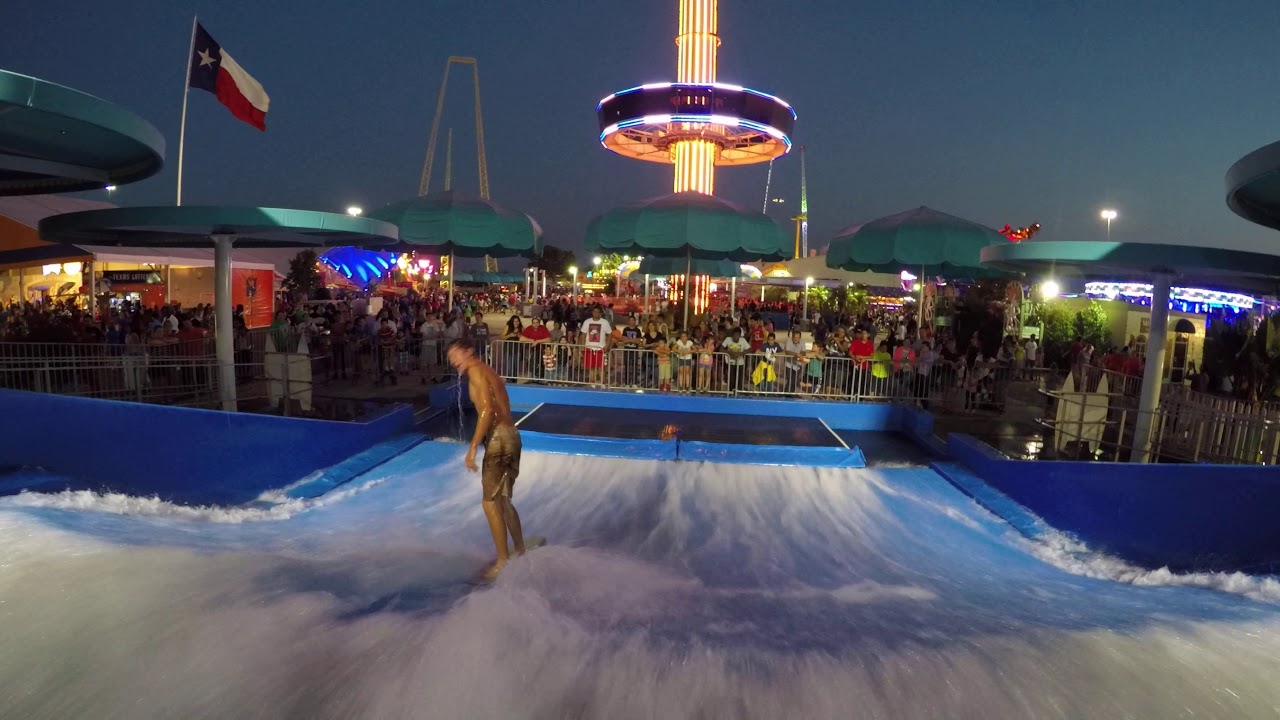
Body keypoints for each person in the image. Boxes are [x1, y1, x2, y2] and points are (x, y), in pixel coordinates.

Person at [447, 338, 527, 580]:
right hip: (511, 435)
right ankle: (520, 550)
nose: (454, 362)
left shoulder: (476, 372)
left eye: (456, 356)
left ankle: (503, 561)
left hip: (499, 439)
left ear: (469, 351)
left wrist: (472, 448)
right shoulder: (486, 370)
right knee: (502, 500)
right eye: (451, 359)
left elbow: (487, 410)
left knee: (489, 502)